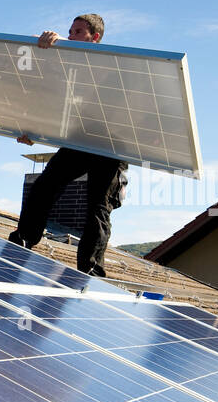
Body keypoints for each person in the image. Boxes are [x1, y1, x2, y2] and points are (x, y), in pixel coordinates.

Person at [8, 14, 128, 277]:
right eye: (70, 31)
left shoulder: (112, 63)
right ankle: (24, 239)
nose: (71, 35)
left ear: (94, 37)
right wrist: (34, 132)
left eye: (78, 31)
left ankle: (90, 271)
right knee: (44, 186)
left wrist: (62, 42)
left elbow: (96, 63)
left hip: (111, 145)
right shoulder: (69, 66)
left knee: (98, 205)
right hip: (81, 139)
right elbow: (53, 102)